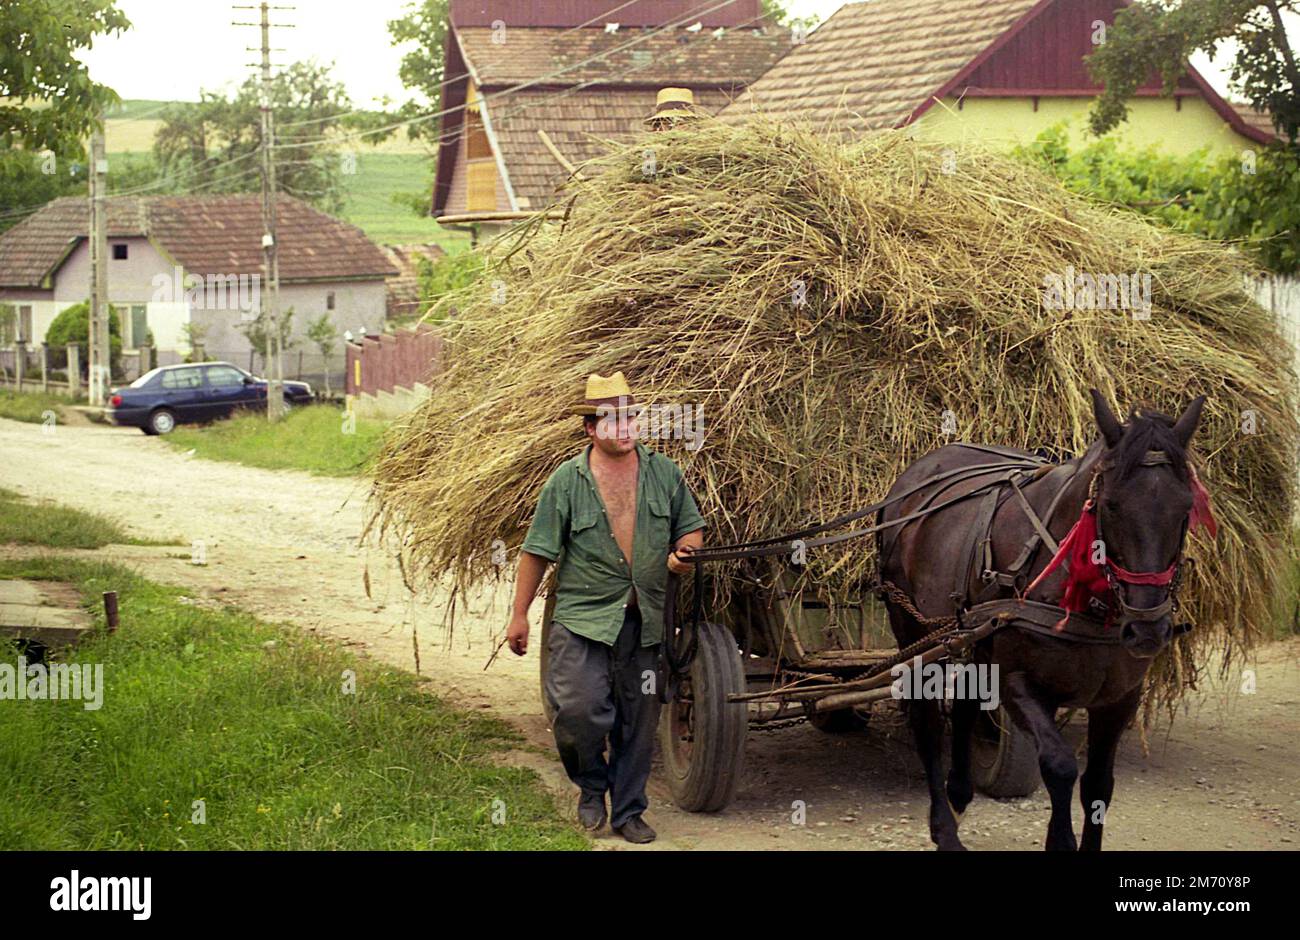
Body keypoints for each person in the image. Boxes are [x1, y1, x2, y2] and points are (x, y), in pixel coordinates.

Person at [506, 371, 705, 843]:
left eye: (630, 417)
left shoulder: (665, 474)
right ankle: (592, 788)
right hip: (582, 620)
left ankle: (629, 810)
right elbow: (537, 552)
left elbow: (691, 527)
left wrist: (684, 554)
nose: (623, 427)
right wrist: (519, 614)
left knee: (639, 721)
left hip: (645, 620)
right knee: (578, 710)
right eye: (610, 420)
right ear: (590, 430)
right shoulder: (566, 482)